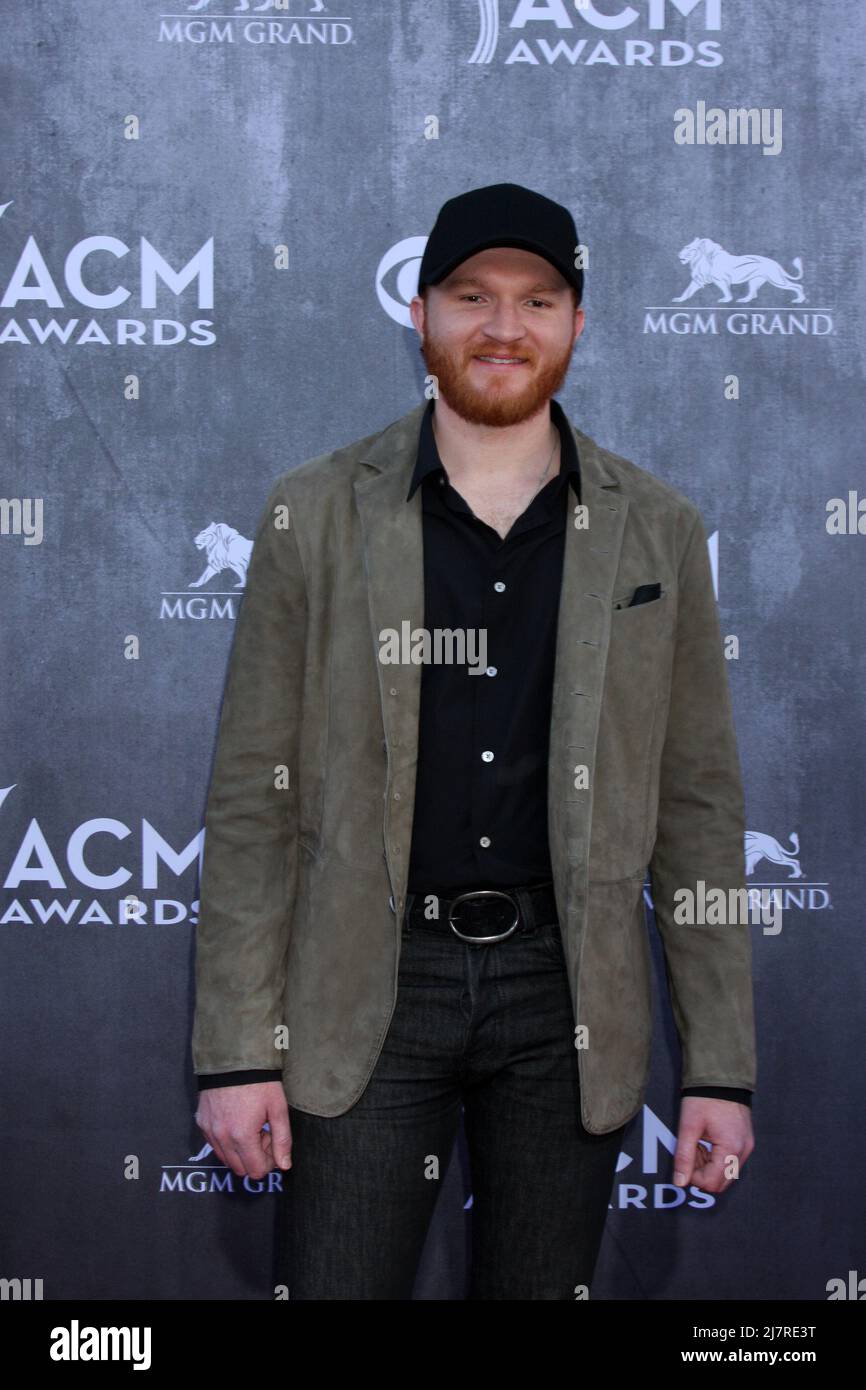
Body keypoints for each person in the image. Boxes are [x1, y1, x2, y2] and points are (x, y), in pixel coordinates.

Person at [192, 183, 756, 1300]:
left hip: (568, 999)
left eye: (537, 300)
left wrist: (721, 1069)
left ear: (575, 323)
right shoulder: (315, 513)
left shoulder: (657, 527)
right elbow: (254, 799)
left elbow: (696, 805)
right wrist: (236, 1050)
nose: (504, 327)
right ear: (420, 313)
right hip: (367, 987)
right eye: (472, 297)